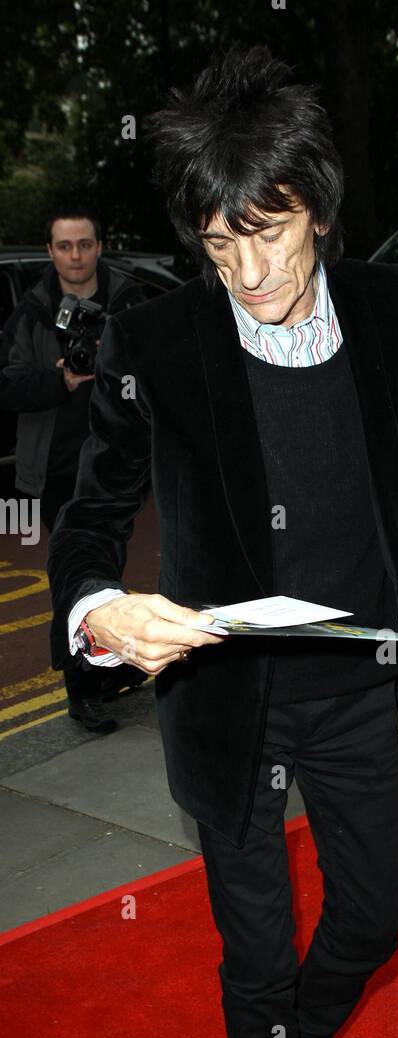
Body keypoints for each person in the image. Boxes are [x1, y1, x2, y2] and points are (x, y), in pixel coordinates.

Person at [46, 44, 398, 1038]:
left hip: (353, 688)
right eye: (219, 245)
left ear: (319, 209)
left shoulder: (397, 309)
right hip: (227, 700)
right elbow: (88, 516)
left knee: (368, 912)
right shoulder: (160, 339)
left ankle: (310, 1028)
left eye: (271, 235)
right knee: (250, 951)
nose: (248, 273)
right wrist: (99, 607)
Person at [0, 205, 147, 731]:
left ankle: (109, 668)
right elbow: (7, 386)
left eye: (85, 244)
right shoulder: (34, 310)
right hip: (57, 471)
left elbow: (164, 369)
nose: (76, 255)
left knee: (110, 570)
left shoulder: (128, 299)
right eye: (65, 246)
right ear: (51, 252)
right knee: (72, 576)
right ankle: (81, 690)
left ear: (100, 246)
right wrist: (58, 380)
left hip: (121, 461)